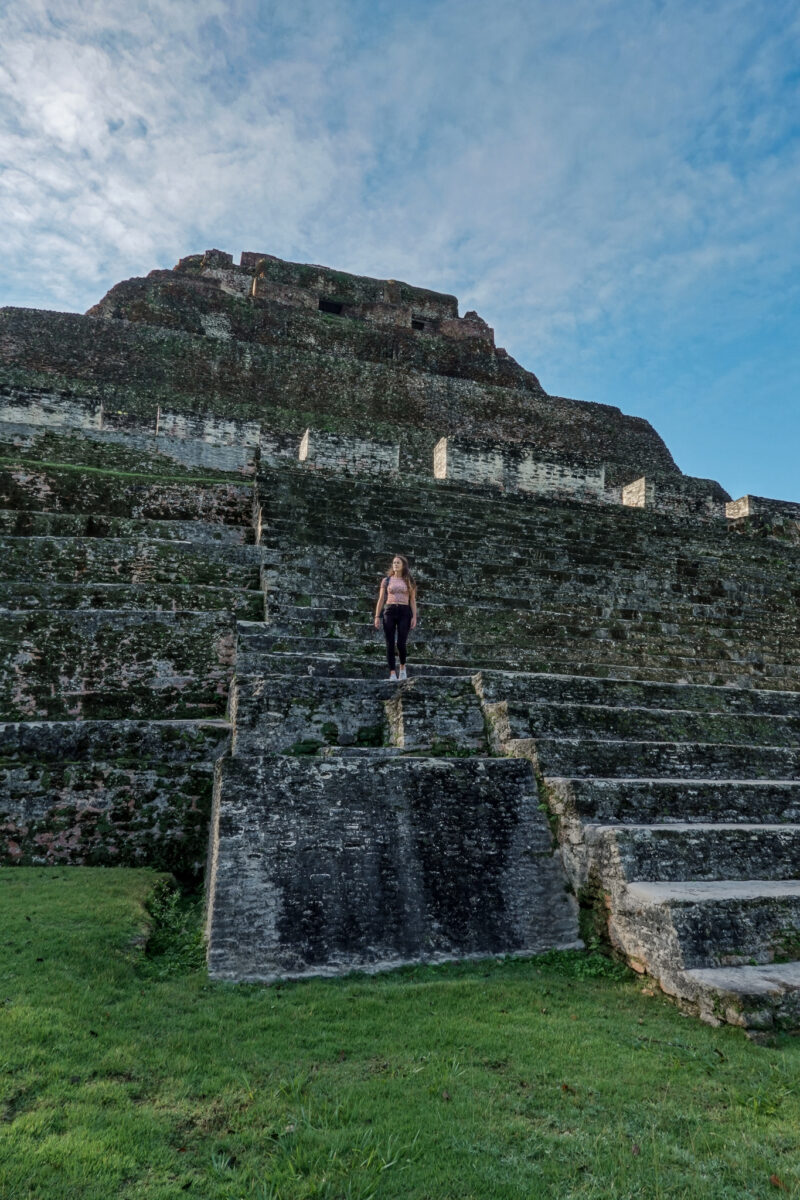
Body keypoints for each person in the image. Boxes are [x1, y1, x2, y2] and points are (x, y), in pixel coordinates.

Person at [374, 554, 417, 681]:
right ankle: (392, 672)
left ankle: (402, 668)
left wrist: (414, 616)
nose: (395, 565)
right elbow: (381, 599)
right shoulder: (386, 580)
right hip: (390, 610)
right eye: (394, 563)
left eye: (398, 563)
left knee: (401, 643)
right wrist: (377, 616)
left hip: (404, 611)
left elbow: (413, 600)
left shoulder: (409, 580)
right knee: (390, 643)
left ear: (403, 565)